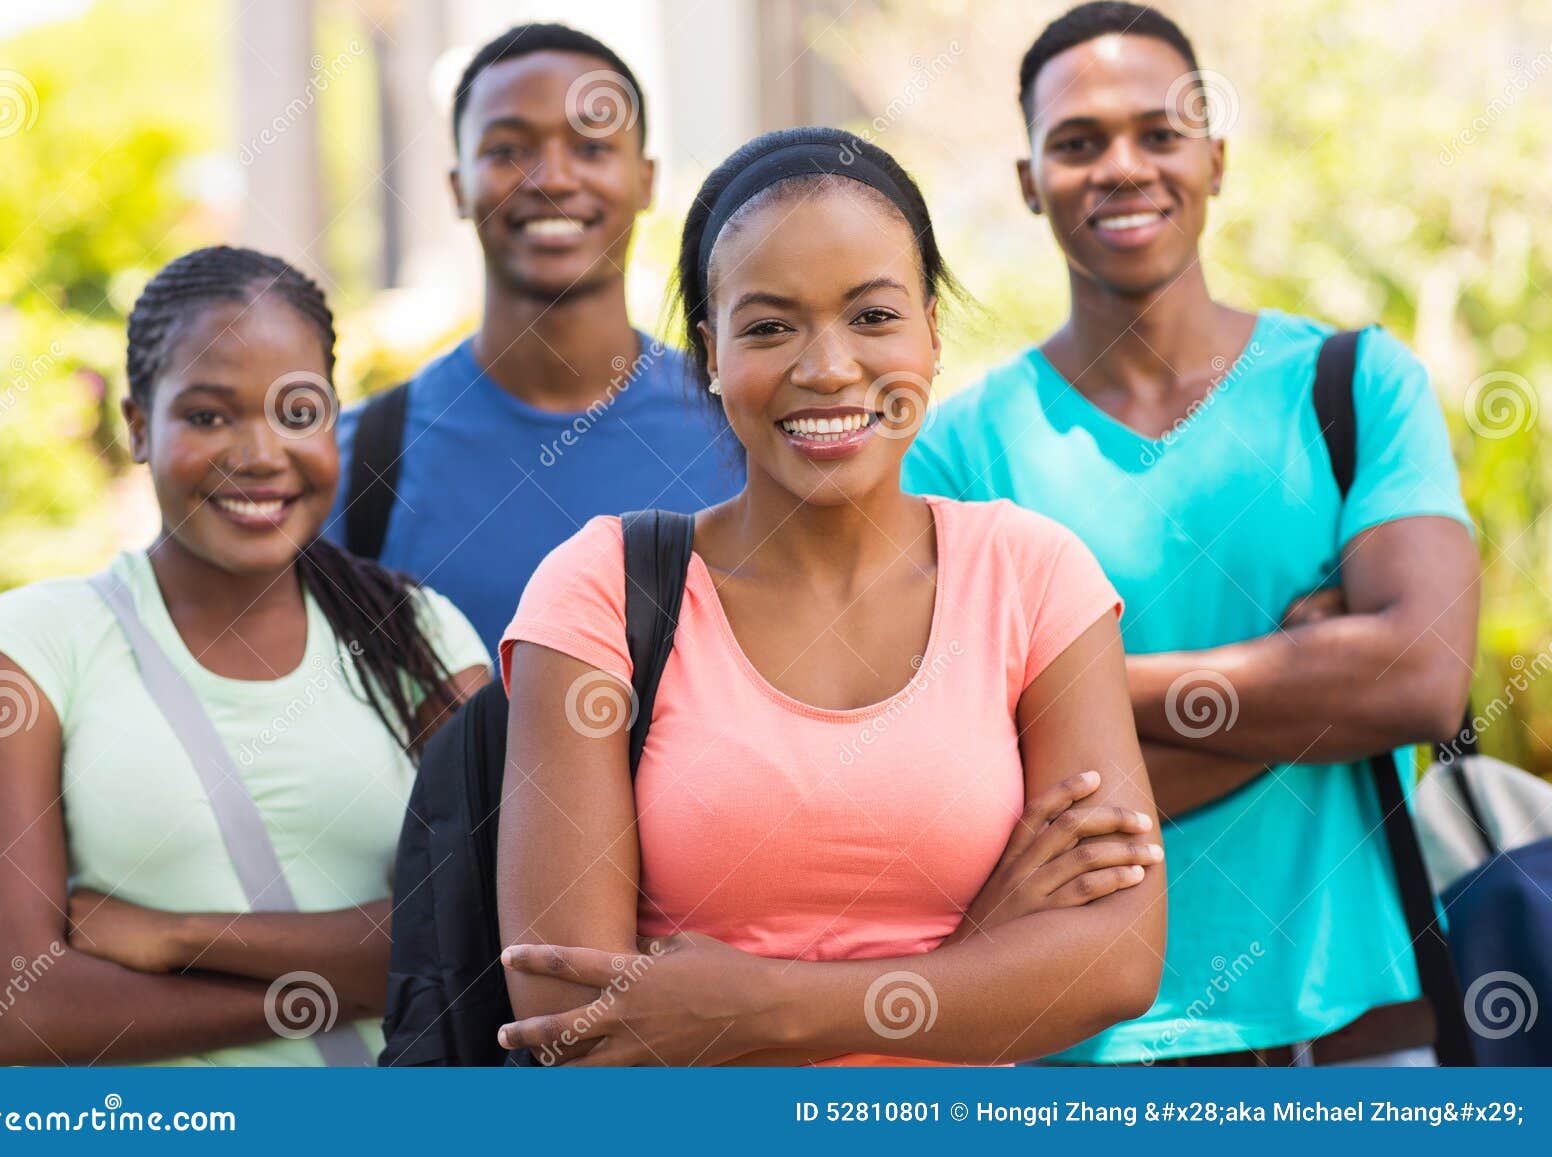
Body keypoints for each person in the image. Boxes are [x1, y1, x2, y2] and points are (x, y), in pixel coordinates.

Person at [489, 127, 1167, 1067]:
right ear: (711, 354)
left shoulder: (1034, 575)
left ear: (931, 329)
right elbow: (572, 1020)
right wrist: (979, 959)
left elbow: (1116, 960)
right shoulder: (601, 590)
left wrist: (760, 1003)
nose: (829, 367)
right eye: (769, 326)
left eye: (873, 316)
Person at [904, 2, 1479, 1065]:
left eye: (1157, 134)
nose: (1122, 166)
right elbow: (967, 785)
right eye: (1077, 142)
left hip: (1361, 1033)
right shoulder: (954, 454)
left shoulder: (1350, 388)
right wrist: (1308, 673)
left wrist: (1070, 693)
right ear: (1029, 180)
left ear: (1214, 159)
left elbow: (1420, 680)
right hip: (1080, 1054)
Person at [0, 246, 492, 1066]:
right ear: (138, 426)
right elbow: (21, 1015)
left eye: (298, 413)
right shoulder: (27, 649)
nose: (260, 453)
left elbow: (486, 935)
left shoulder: (421, 635)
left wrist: (179, 937)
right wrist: (376, 968)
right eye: (208, 416)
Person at [328, 23, 742, 650]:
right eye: (507, 150)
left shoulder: (743, 430)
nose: (550, 177)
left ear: (646, 180)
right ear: (457, 187)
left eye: (593, 147)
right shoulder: (360, 463)